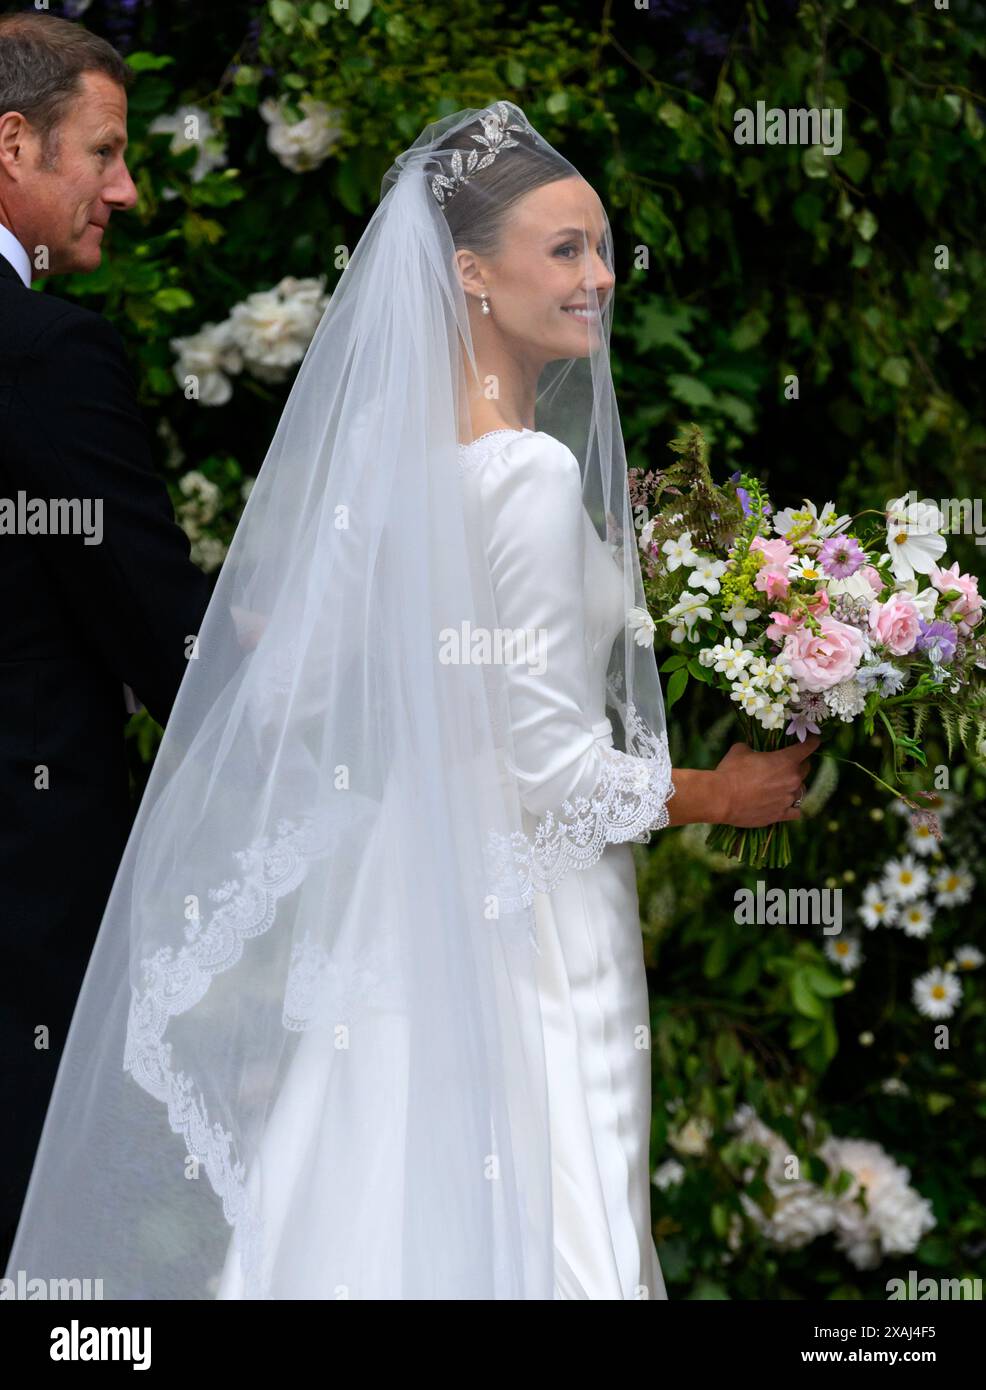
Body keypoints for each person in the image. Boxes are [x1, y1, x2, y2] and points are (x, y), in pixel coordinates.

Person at [4, 98, 815, 1300]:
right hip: (531, 931)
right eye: (564, 250)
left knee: (376, 1199)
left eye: (600, 248)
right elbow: (552, 777)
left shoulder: (392, 481)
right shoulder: (530, 476)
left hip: (403, 906)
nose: (598, 277)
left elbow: (289, 695)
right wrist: (722, 792)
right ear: (470, 277)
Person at [0, 13, 210, 1267]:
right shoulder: (43, 354)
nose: (124, 188)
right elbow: (156, 632)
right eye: (105, 152)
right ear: (13, 144)